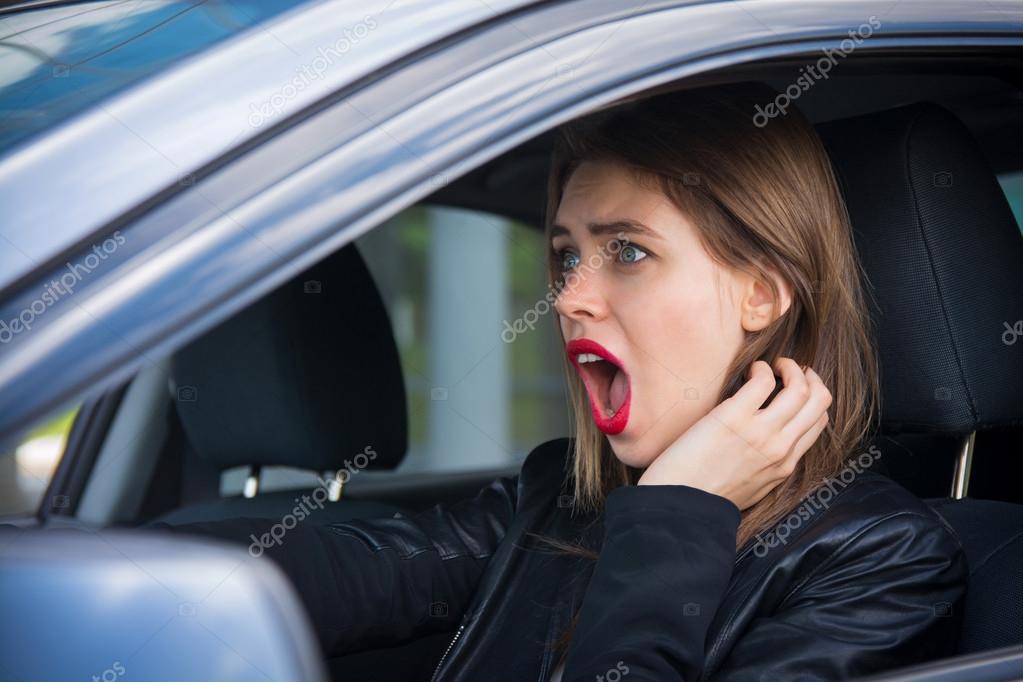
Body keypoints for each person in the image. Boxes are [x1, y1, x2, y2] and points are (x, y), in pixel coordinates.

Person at [151, 82, 968, 681]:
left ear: (760, 292)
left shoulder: (880, 560)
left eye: (628, 251)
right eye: (566, 254)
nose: (569, 294)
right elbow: (344, 571)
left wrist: (680, 512)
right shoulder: (554, 496)